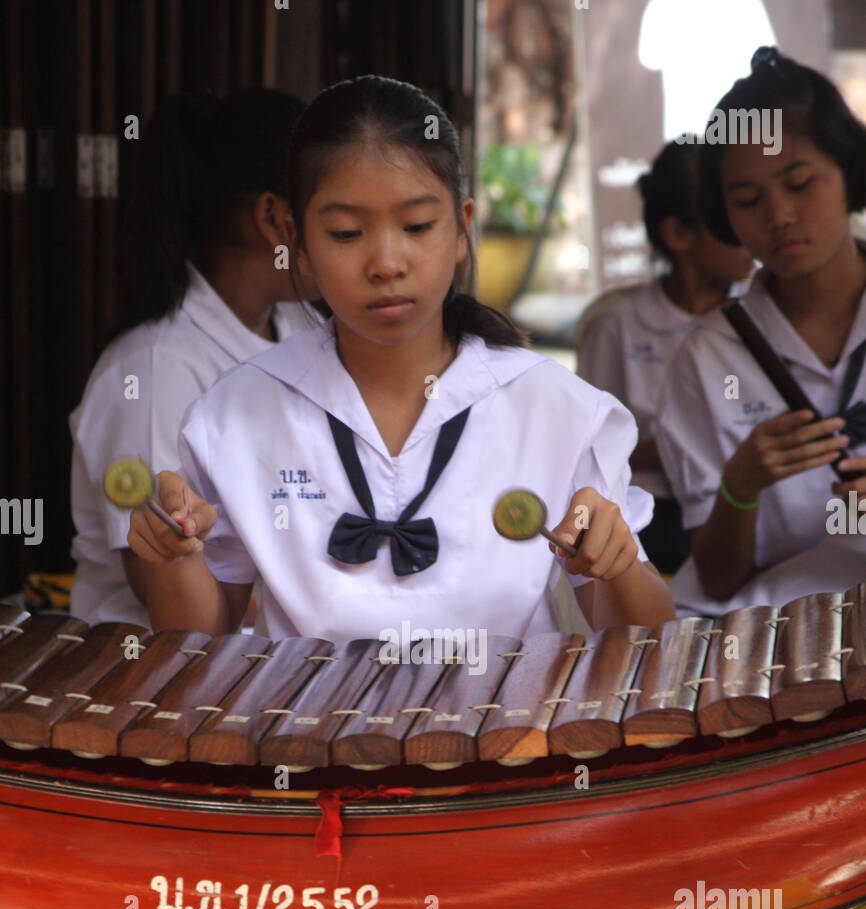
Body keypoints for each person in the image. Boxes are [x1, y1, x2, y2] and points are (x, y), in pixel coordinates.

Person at [126, 75, 674, 644]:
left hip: (502, 729)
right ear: (297, 240)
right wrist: (176, 551)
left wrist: (617, 558)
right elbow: (194, 639)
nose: (386, 261)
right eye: (345, 233)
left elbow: (649, 638)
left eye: (417, 226)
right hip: (304, 729)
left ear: (462, 229)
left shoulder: (557, 410)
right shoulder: (236, 413)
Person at [69, 87, 320, 629]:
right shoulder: (155, 368)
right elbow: (159, 581)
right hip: (160, 683)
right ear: (276, 219)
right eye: (342, 216)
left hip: (282, 662)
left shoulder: (306, 326)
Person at [655, 47, 866, 616]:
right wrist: (739, 486)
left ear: (850, 172)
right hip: (767, 648)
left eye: (799, 183)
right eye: (747, 199)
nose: (778, 215)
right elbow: (719, 580)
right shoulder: (707, 360)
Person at [577, 140, 753, 574]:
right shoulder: (617, 326)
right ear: (678, 234)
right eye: (731, 220)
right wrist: (677, 448)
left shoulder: (761, 316)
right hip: (656, 510)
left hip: (748, 499)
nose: (752, 232)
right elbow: (587, 450)